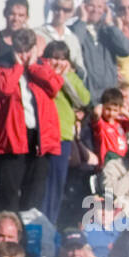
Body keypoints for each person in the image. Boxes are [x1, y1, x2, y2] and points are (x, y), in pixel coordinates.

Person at [0, 28, 63, 215]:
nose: (24, 55)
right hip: (12, 138)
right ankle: (6, 234)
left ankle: (30, 233)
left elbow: (55, 86)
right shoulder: (1, 65)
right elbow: (3, 88)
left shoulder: (41, 67)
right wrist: (19, 66)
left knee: (34, 193)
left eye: (28, 50)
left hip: (39, 137)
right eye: (20, 51)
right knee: (9, 192)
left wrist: (34, 65)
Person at [40, 40, 89, 227]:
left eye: (62, 59)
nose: (58, 63)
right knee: (45, 185)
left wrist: (67, 76)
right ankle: (42, 224)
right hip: (46, 135)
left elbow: (84, 99)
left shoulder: (70, 75)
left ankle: (51, 225)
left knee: (57, 185)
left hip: (64, 137)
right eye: (54, 58)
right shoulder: (42, 74)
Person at [70, 0, 129, 102]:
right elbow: (72, 48)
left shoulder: (108, 31)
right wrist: (82, 20)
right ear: (83, 6)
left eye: (100, 7)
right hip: (86, 97)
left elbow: (127, 50)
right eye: (91, 5)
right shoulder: (75, 28)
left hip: (108, 99)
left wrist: (110, 24)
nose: (96, 10)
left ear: (105, 8)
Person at [39, 0, 86, 79]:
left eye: (66, 10)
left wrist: (72, 69)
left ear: (72, 12)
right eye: (57, 8)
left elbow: (82, 70)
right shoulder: (38, 34)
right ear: (52, 8)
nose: (61, 13)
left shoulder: (73, 39)